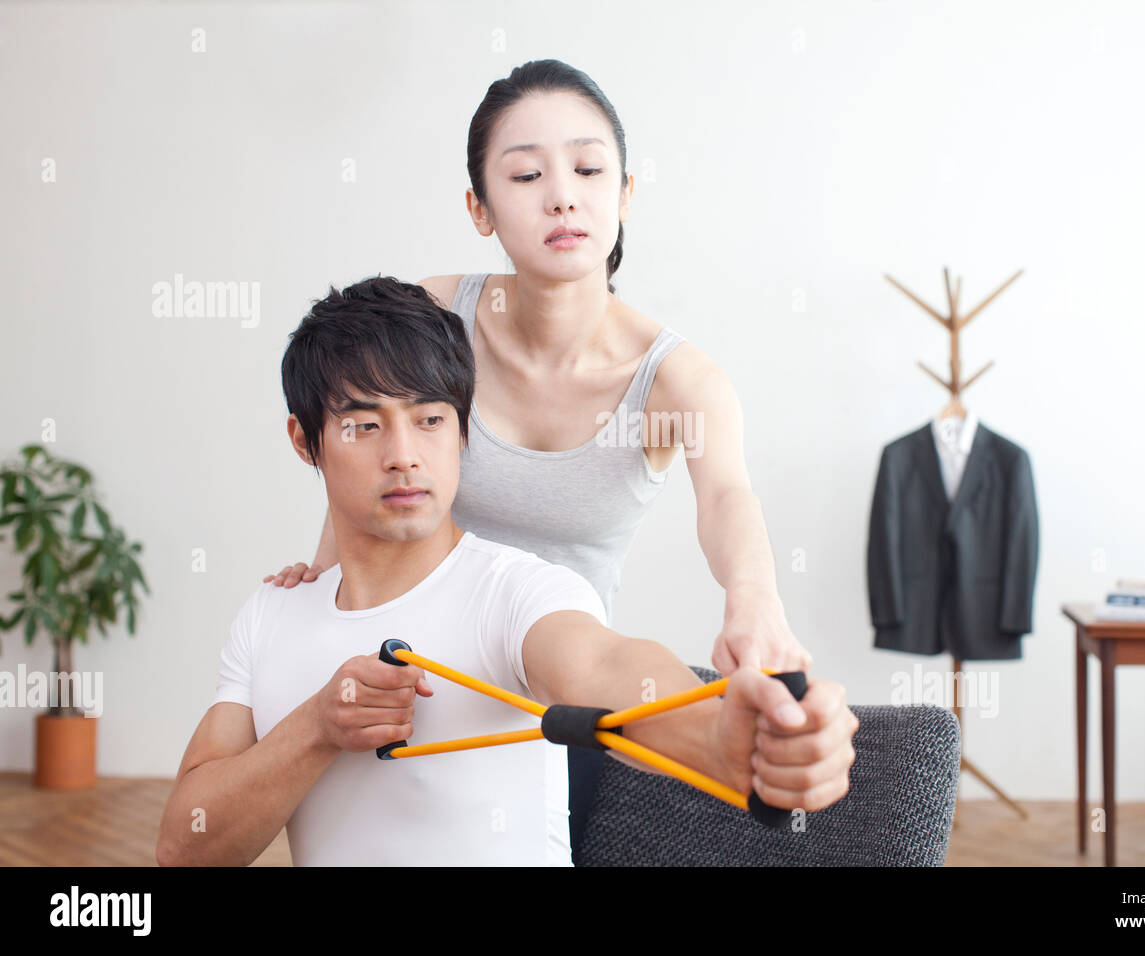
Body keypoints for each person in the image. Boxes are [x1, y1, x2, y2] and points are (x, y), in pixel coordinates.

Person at [264, 58, 814, 851]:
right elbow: (362, 447)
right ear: (480, 208)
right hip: (408, 670)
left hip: (556, 685)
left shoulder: (678, 382)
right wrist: (319, 590)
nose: (563, 194)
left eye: (589, 168)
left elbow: (728, 498)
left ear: (624, 195)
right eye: (526, 175)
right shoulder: (436, 314)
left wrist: (755, 604)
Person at [157, 276, 856, 866]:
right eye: (364, 426)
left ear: (464, 432)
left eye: (430, 420)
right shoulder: (273, 613)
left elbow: (607, 670)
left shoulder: (520, 592)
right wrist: (316, 726)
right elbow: (184, 845)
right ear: (305, 442)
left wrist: (726, 742)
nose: (404, 454)